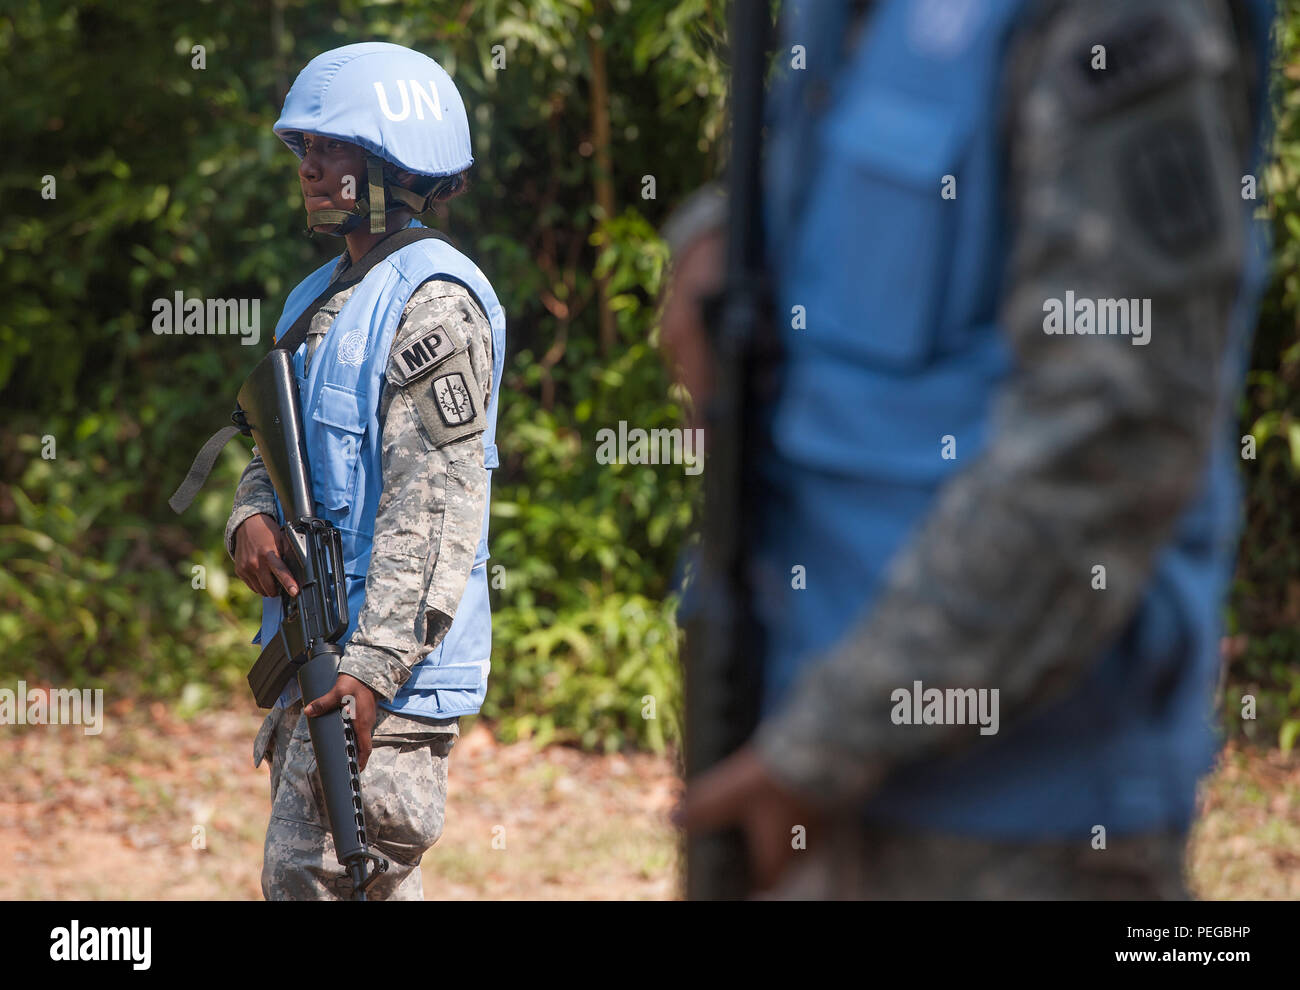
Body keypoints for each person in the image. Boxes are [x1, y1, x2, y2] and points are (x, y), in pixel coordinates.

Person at [669, 0, 1276, 898]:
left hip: (1018, 828)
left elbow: (1115, 427)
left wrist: (828, 743)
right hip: (792, 759)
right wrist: (713, 240)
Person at [225, 42, 506, 901]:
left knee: (318, 880)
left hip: (380, 679)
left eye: (330, 147)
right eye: (303, 148)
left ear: (391, 163)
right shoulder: (316, 298)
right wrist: (250, 515)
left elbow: (437, 513)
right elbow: (278, 447)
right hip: (319, 657)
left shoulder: (435, 305)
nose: (308, 166)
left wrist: (373, 670)